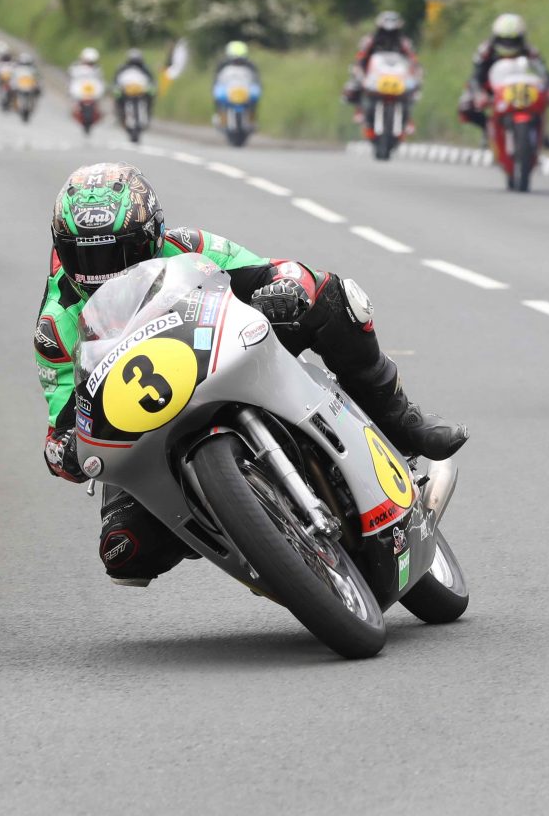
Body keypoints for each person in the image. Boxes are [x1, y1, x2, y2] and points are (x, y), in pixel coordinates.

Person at [34, 162, 469, 585]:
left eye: (118, 251)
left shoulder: (186, 244)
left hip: (222, 356)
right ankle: (244, 529)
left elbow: (275, 270)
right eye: (84, 254)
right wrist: (65, 451)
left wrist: (288, 287)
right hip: (146, 419)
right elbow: (65, 424)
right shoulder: (55, 325)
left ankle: (402, 420)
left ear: (153, 234)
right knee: (124, 551)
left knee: (329, 296)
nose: (105, 268)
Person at [457, 13, 549, 146]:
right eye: (504, 39)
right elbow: (475, 77)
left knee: (543, 97)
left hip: (522, 87)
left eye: (514, 40)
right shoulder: (485, 51)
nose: (509, 44)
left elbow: (544, 72)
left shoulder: (528, 50)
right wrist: (478, 93)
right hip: (492, 88)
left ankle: (541, 133)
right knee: (465, 105)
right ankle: (487, 129)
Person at [343, 10, 419, 111]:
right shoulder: (370, 40)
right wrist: (359, 72)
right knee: (354, 81)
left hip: (397, 78)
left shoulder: (404, 42)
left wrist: (415, 74)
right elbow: (361, 58)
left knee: (416, 84)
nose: (389, 34)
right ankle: (360, 111)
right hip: (373, 77)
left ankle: (407, 119)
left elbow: (412, 59)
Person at [112, 48, 157, 124]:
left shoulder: (145, 68)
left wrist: (151, 88)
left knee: (151, 95)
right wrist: (118, 88)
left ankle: (147, 112)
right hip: (126, 91)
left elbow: (151, 80)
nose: (135, 63)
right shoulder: (123, 67)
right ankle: (120, 114)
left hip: (142, 91)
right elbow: (116, 80)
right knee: (118, 97)